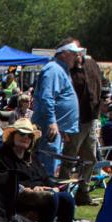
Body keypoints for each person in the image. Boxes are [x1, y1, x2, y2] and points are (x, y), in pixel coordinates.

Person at [0, 117, 76, 222]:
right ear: (13, 136)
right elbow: (8, 181)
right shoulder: (3, 155)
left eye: (29, 136)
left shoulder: (31, 157)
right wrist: (36, 189)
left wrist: (53, 187)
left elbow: (45, 178)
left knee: (67, 198)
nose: (25, 138)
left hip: (41, 195)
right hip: (18, 198)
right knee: (51, 197)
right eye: (21, 134)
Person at [32, 41, 81, 176]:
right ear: (64, 54)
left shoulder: (62, 70)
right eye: (74, 54)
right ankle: (45, 193)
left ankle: (49, 190)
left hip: (55, 129)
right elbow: (46, 97)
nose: (77, 57)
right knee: (47, 165)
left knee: (52, 164)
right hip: (49, 129)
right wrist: (52, 122)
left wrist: (61, 126)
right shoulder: (53, 69)